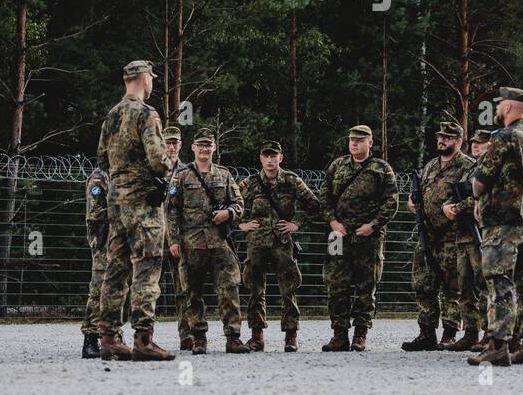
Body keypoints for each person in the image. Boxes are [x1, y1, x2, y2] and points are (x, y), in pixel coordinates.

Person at [96, 60, 176, 362]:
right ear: (144, 79)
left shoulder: (112, 116)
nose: (152, 83)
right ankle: (143, 339)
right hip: (143, 204)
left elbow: (102, 158)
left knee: (115, 271)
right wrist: (167, 169)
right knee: (147, 268)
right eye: (151, 78)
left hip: (116, 204)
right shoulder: (146, 114)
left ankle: (109, 337)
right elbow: (158, 159)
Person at [467, 87, 523, 367]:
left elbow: (480, 181)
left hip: (503, 218)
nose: (496, 109)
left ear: (509, 107)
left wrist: (477, 194)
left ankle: (498, 344)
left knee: (499, 280)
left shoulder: (504, 138)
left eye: (499, 104)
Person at [169, 129, 249, 354]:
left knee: (229, 291)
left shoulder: (224, 175)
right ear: (193, 147)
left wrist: (229, 214)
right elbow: (172, 211)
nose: (204, 149)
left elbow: (239, 203)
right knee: (192, 294)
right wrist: (172, 241)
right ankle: (198, 338)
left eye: (208, 145)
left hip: (219, 245)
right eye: (200, 145)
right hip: (191, 245)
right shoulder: (182, 175)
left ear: (214, 148)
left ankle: (233, 337)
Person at [238, 140, 323, 352]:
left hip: (282, 242)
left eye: (273, 156)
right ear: (260, 158)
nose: (269, 160)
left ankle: (290, 336)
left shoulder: (291, 181)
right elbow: (232, 204)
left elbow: (314, 205)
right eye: (266, 156)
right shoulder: (250, 183)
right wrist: (240, 224)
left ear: (280, 158)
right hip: (256, 242)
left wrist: (297, 224)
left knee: (289, 289)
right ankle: (257, 337)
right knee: (255, 289)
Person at [321, 124, 398, 352]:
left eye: (359, 140)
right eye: (351, 140)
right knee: (336, 284)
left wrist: (372, 226)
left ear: (370, 143)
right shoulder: (337, 166)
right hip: (337, 235)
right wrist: (333, 222)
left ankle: (360, 334)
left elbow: (391, 201)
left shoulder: (381, 169)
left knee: (366, 286)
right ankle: (339, 334)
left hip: (368, 237)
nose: (354, 143)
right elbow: (324, 197)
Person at [403, 122, 474, 351]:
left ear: (459, 141)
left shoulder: (467, 166)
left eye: (448, 137)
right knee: (423, 284)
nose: (442, 140)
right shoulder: (431, 165)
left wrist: (455, 208)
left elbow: (472, 196)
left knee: (453, 286)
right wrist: (412, 203)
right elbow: (424, 193)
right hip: (428, 235)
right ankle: (426, 332)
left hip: (452, 236)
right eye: (440, 136)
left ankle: (450, 333)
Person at [442, 129, 490, 351]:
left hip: (482, 233)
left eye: (481, 143)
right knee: (465, 286)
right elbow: (459, 191)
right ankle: (471, 332)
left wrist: (457, 207)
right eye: (473, 142)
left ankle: (489, 332)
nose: (476, 146)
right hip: (464, 234)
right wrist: (447, 206)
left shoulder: (490, 168)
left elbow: (483, 197)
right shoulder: (470, 168)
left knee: (485, 285)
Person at [159, 125, 193, 350]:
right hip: (153, 237)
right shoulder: (153, 169)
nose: (171, 146)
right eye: (167, 142)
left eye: (175, 142)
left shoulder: (188, 172)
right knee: (147, 289)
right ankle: (144, 335)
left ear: (181, 145)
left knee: (183, 289)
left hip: (179, 239)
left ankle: (186, 335)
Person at [80, 166, 109, 358]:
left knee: (119, 291)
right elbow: (95, 213)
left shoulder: (125, 172)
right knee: (98, 289)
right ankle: (90, 338)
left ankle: (112, 336)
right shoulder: (99, 177)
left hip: (121, 240)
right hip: (104, 241)